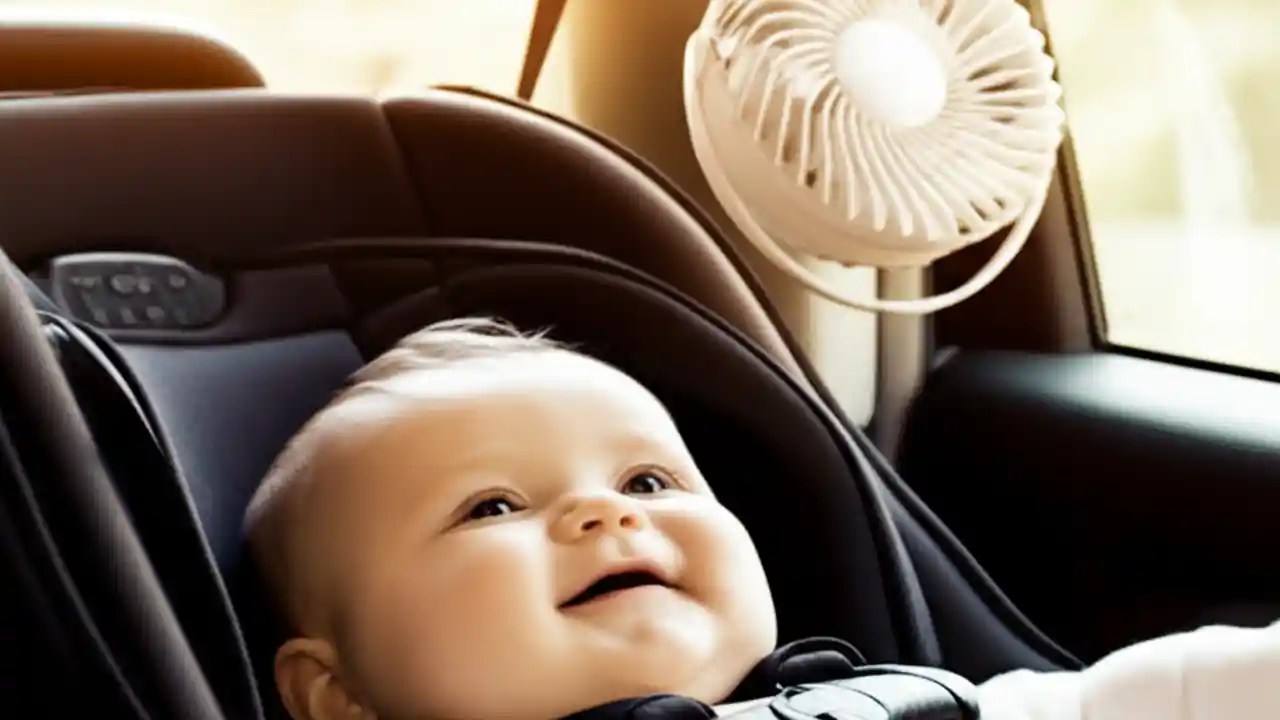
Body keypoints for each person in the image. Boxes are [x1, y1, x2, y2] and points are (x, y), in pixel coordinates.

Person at [244, 318, 1280, 720]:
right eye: (494, 506)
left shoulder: (878, 702)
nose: (604, 512)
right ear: (337, 698)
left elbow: (1134, 703)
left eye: (650, 482)